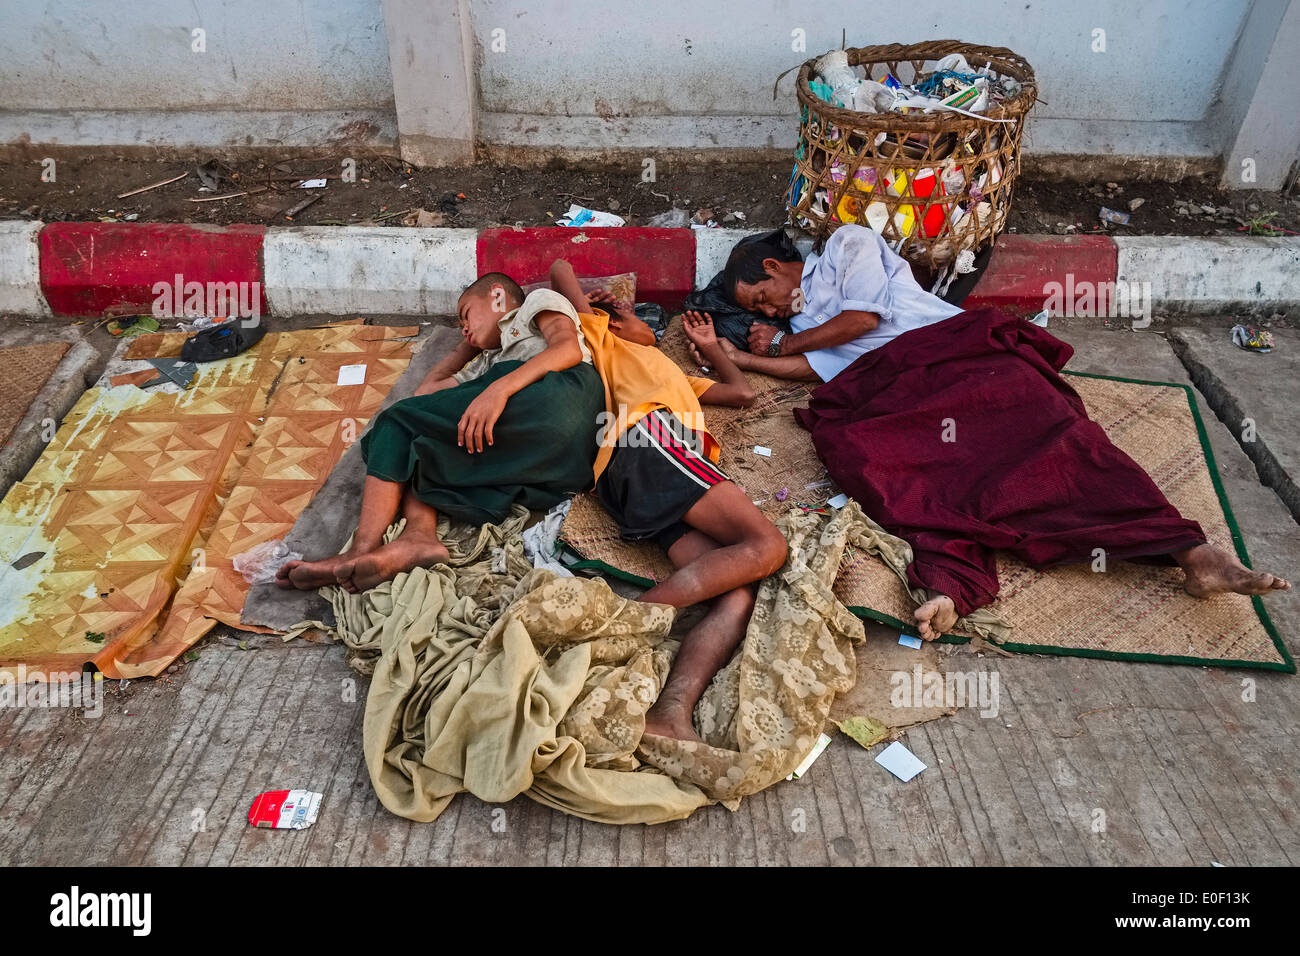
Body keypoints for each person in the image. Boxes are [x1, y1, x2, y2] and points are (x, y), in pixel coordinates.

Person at [704, 225, 1290, 636]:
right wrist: (754, 358)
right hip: (899, 387)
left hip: (958, 354)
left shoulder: (845, 247)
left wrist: (781, 341)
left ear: (775, 266)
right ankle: (951, 582)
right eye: (763, 312)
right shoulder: (804, 322)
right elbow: (820, 370)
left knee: (1059, 442)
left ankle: (1193, 552)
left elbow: (864, 320)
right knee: (893, 467)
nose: (771, 311)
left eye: (763, 296)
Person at [547, 260, 789, 743]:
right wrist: (602, 305)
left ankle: (670, 711)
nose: (653, 328)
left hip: (643, 476)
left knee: (734, 598)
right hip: (650, 441)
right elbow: (559, 268)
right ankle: (612, 629)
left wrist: (710, 348)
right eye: (643, 320)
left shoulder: (673, 372)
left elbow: (742, 393)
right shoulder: (605, 339)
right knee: (767, 547)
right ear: (616, 323)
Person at [276, 268, 605, 593]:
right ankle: (419, 536)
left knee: (394, 423)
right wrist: (469, 346)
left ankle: (361, 548)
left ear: (497, 296)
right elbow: (425, 394)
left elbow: (567, 350)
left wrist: (496, 391)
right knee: (418, 450)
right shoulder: (485, 363)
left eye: (466, 314)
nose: (463, 328)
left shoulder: (535, 304)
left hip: (562, 397)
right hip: (557, 471)